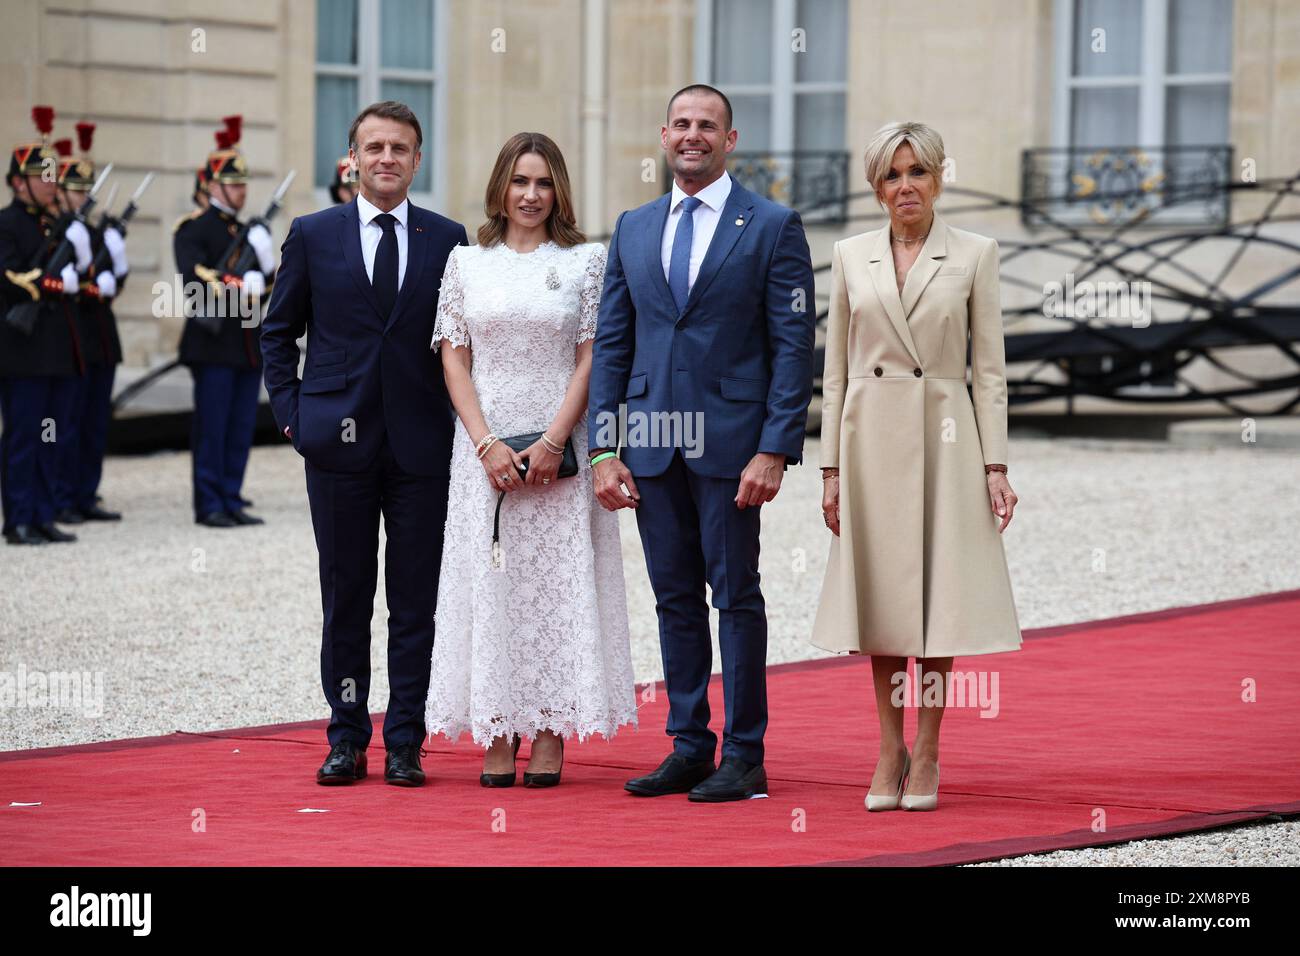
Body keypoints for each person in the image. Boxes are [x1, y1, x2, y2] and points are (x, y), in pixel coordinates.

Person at [588, 84, 816, 802]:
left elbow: (792, 345)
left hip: (731, 448)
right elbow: (614, 345)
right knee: (674, 598)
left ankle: (745, 755)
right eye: (682, 124)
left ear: (730, 138)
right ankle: (689, 745)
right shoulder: (632, 226)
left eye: (707, 126)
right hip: (653, 443)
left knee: (736, 596)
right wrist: (601, 447)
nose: (693, 135)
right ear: (664, 134)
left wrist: (774, 448)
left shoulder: (772, 225)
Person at [812, 121, 1023, 812]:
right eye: (892, 175)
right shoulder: (849, 256)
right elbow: (835, 372)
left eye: (918, 172)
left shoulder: (976, 253)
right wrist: (831, 469)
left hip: (947, 439)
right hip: (870, 438)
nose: (906, 186)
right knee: (882, 599)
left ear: (938, 178)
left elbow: (988, 372)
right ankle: (887, 748)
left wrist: (995, 465)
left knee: (938, 598)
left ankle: (928, 750)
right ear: (877, 187)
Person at [261, 100, 468, 788]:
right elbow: (277, 332)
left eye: (400, 148)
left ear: (417, 159)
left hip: (420, 452)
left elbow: (460, 345)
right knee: (346, 597)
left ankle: (405, 740)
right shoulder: (313, 234)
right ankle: (347, 737)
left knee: (414, 603)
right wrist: (295, 417)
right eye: (373, 147)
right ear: (353, 158)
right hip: (337, 448)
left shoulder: (449, 240)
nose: (386, 158)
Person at [424, 132, 637, 788]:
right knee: (494, 582)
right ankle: (498, 725)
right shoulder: (466, 262)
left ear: (559, 191)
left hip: (560, 451)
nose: (530, 195)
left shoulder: (585, 261)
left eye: (543, 183)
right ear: (500, 187)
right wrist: (485, 442)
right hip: (482, 452)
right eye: (519, 181)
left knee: (554, 584)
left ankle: (549, 730)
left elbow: (592, 356)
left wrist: (552, 441)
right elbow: (454, 354)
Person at [175, 115, 271, 528]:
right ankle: (209, 502)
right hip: (212, 342)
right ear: (212, 185)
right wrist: (239, 279)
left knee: (239, 425)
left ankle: (230, 496)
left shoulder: (247, 230)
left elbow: (266, 288)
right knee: (212, 427)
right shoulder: (193, 229)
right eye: (233, 184)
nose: (240, 190)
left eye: (243, 183)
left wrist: (264, 267)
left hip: (246, 341)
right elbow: (194, 277)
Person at [0, 106, 83, 545]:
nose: (51, 182)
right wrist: (50, 281)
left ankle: (44, 513)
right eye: (42, 176)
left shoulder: (60, 224)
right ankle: (17, 518)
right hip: (22, 349)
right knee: (24, 437)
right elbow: (8, 275)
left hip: (56, 348)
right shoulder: (6, 224)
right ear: (19, 182)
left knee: (53, 436)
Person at [52, 123, 127, 524]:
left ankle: (85, 492)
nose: (83, 197)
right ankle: (62, 495)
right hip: (71, 338)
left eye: (85, 190)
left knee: (95, 422)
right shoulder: (58, 230)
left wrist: (117, 264)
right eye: (76, 190)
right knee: (67, 422)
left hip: (100, 338)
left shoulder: (96, 230)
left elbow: (113, 280)